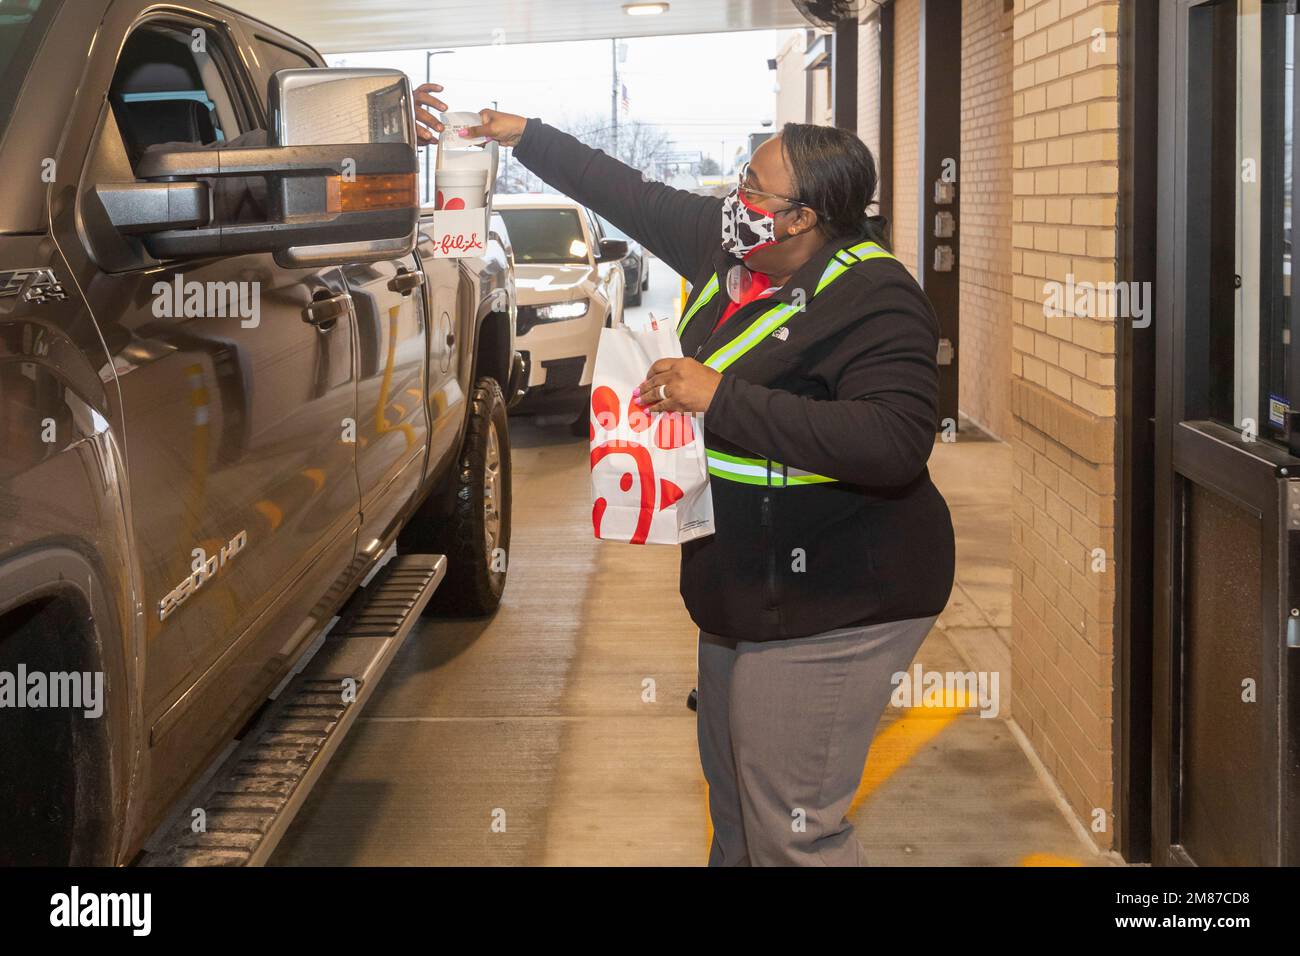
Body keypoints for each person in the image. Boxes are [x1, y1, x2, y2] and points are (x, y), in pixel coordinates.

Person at [413, 84, 955, 866]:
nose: (736, 197)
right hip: (742, 589)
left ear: (805, 218)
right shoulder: (729, 247)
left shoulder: (876, 301)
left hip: (838, 595)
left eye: (755, 189)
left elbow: (894, 440)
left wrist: (721, 396)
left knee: (793, 831)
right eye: (740, 177)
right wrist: (517, 133)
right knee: (736, 810)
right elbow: (621, 188)